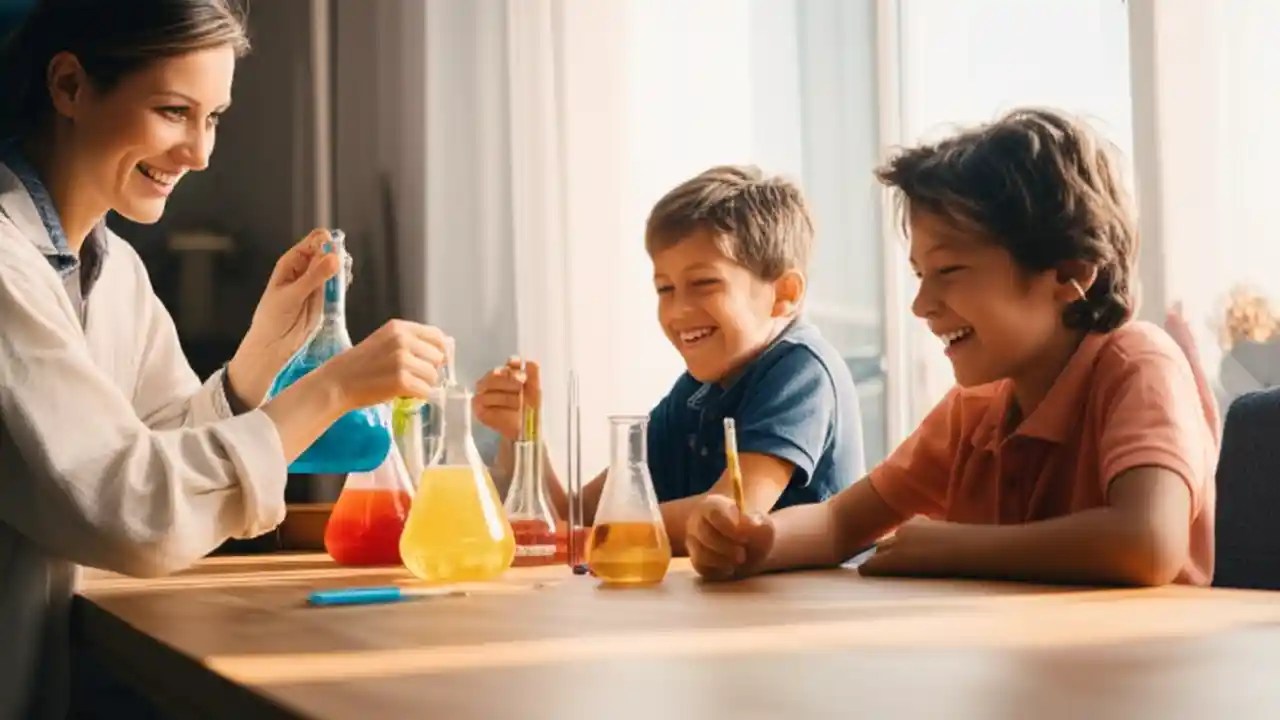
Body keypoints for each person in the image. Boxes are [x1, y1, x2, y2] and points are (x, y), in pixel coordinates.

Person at [0, 2, 447, 716]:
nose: (201, 153)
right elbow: (131, 511)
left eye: (213, 118)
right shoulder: (6, 266)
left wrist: (261, 356)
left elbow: (160, 446)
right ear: (69, 87)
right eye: (174, 111)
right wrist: (330, 390)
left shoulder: (112, 270)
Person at [685, 108, 1219, 587]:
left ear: (1069, 273)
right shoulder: (975, 410)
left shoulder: (1136, 365)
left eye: (949, 271)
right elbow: (838, 522)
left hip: (1148, 681)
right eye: (920, 274)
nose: (921, 304)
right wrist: (757, 542)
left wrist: (950, 545)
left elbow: (1147, 543)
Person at [474, 166, 865, 553]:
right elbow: (580, 518)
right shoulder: (697, 392)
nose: (678, 311)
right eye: (665, 289)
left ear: (784, 293)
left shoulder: (800, 371)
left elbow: (733, 511)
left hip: (803, 610)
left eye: (704, 284)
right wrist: (524, 434)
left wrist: (590, 536)